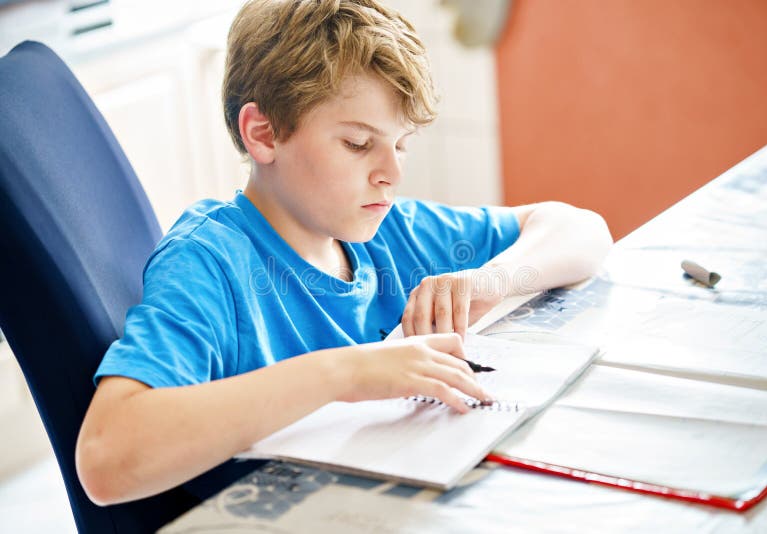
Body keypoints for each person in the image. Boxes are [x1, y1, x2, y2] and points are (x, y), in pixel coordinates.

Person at [76, 0, 612, 506]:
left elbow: (582, 229)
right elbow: (106, 459)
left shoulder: (386, 230)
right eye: (358, 143)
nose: (392, 173)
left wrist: (490, 281)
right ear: (263, 134)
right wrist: (345, 374)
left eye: (400, 145)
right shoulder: (210, 264)